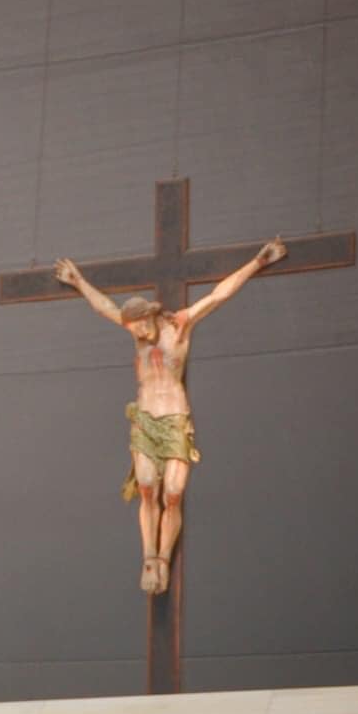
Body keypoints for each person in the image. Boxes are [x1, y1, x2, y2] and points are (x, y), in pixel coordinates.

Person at [54, 238, 287, 594]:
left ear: (150, 316)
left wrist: (257, 262)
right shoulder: (136, 334)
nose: (139, 335)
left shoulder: (180, 326)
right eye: (133, 330)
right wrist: (78, 280)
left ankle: (164, 556)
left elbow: (218, 296)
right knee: (147, 490)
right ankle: (149, 559)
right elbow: (104, 307)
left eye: (141, 328)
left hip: (175, 420)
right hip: (146, 420)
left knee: (174, 493)